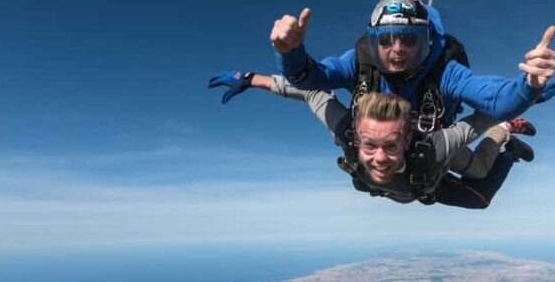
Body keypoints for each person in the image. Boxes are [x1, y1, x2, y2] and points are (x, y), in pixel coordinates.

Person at [209, 72, 533, 208]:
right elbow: (310, 90)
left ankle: (505, 139)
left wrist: (525, 93)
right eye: (370, 146)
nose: (379, 158)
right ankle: (503, 140)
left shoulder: (435, 146)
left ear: (406, 140)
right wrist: (250, 79)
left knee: (478, 181)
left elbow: (478, 119)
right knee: (474, 174)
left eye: (390, 146)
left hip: (429, 168)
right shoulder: (347, 133)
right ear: (358, 139)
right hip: (421, 181)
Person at [268, 0, 555, 129]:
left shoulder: (443, 70)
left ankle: (505, 137)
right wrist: (290, 53)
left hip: (431, 136)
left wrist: (527, 87)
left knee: (475, 180)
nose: (397, 48)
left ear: (426, 41)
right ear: (373, 42)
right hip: (384, 147)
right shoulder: (359, 62)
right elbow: (312, 78)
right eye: (385, 39)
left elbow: (493, 98)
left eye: (409, 38)